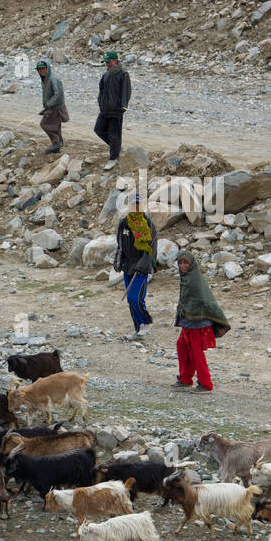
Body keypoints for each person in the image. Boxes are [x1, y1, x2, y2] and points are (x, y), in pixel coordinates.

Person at [173, 252, 230, 393]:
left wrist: (186, 309)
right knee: (182, 346)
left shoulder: (194, 279)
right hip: (189, 319)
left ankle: (206, 384)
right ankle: (185, 379)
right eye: (180, 263)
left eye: (186, 263)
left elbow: (201, 300)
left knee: (195, 351)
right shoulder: (186, 277)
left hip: (197, 321)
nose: (183, 266)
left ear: (191, 264)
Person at [114, 203, 157, 337]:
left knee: (135, 298)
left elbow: (152, 248)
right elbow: (120, 245)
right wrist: (118, 262)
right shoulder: (124, 224)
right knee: (130, 300)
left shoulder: (147, 223)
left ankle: (146, 321)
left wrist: (142, 265)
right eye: (133, 205)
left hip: (141, 268)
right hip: (127, 267)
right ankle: (138, 329)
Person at [94, 51, 131, 170]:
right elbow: (101, 90)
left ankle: (113, 158)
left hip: (116, 111)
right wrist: (100, 102)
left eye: (109, 62)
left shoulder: (123, 74)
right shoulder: (105, 75)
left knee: (114, 134)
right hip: (104, 109)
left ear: (115, 60)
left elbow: (126, 91)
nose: (107, 64)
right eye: (106, 62)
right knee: (98, 129)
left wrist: (123, 107)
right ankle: (116, 147)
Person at [36, 59, 68, 153]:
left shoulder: (52, 79)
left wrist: (49, 104)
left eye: (43, 69)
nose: (41, 71)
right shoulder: (45, 80)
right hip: (52, 107)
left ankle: (56, 143)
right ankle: (57, 147)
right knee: (56, 127)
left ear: (48, 68)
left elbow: (58, 94)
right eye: (39, 69)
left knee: (44, 124)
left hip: (55, 108)